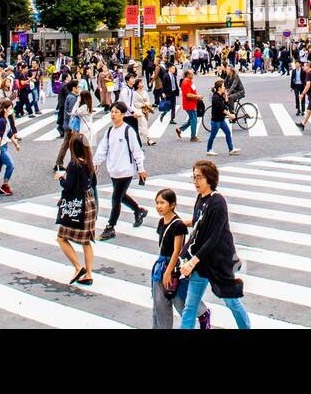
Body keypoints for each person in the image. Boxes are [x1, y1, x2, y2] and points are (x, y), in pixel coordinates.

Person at [178, 160, 250, 330]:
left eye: (199, 178)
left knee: (232, 302)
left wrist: (192, 262)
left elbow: (213, 238)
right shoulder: (200, 198)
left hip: (218, 262)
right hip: (201, 261)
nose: (195, 181)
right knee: (190, 307)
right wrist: (183, 223)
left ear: (209, 178)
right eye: (194, 177)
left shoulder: (218, 202)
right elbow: (199, 222)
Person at [151, 188, 209, 329]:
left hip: (173, 267)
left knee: (180, 301)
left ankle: (203, 313)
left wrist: (168, 272)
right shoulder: (161, 221)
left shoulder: (178, 225)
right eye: (157, 202)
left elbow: (177, 251)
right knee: (159, 304)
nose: (158, 206)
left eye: (162, 203)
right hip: (161, 265)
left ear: (172, 205)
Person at [95, 102, 149, 241]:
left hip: (126, 171)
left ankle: (110, 227)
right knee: (121, 196)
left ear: (123, 114)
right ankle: (139, 211)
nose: (113, 114)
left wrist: (141, 169)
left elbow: (137, 151)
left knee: (116, 198)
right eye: (112, 112)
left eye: (116, 112)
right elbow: (102, 148)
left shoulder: (128, 131)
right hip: (114, 170)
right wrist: (96, 163)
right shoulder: (109, 131)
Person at [55, 136, 97, 286]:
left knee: (61, 238)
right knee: (86, 241)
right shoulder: (89, 162)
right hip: (89, 202)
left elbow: (68, 186)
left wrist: (60, 178)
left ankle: (78, 267)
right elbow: (93, 183)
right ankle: (89, 274)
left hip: (77, 205)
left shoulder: (74, 164)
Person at [204, 79, 239, 157]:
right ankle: (209, 150)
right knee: (213, 135)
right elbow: (221, 109)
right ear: (219, 88)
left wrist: (226, 94)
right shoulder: (215, 97)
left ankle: (231, 149)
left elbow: (226, 104)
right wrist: (230, 115)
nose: (224, 87)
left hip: (221, 120)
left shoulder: (220, 96)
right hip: (216, 121)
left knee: (228, 132)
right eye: (223, 86)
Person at [175, 69, 202, 142]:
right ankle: (193, 137)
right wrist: (197, 96)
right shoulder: (186, 83)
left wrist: (197, 96)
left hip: (192, 103)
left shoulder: (190, 81)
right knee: (194, 120)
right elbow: (188, 95)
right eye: (192, 73)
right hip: (189, 104)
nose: (193, 74)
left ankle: (180, 129)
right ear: (188, 75)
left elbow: (193, 91)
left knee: (191, 119)